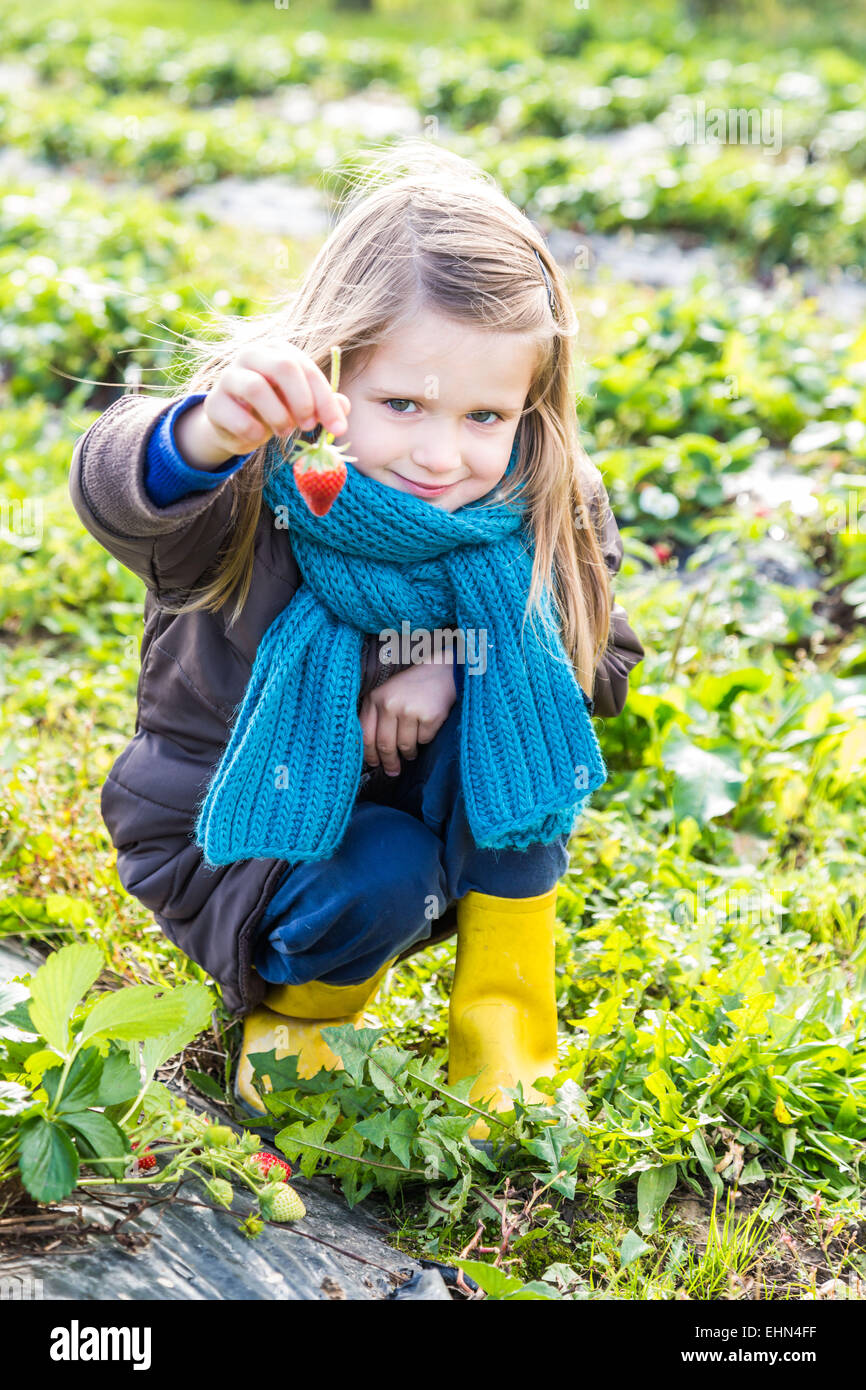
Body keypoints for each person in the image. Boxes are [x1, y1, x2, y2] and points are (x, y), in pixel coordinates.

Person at [69, 141, 645, 1134]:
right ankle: (298, 1023)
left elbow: (604, 665)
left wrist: (454, 667)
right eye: (401, 404)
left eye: (482, 414)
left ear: (528, 407)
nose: (438, 452)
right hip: (241, 838)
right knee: (379, 871)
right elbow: (119, 497)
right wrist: (205, 432)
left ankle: (506, 1040)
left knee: (518, 707)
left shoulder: (537, 502)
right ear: (329, 371)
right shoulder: (255, 489)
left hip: (435, 842)